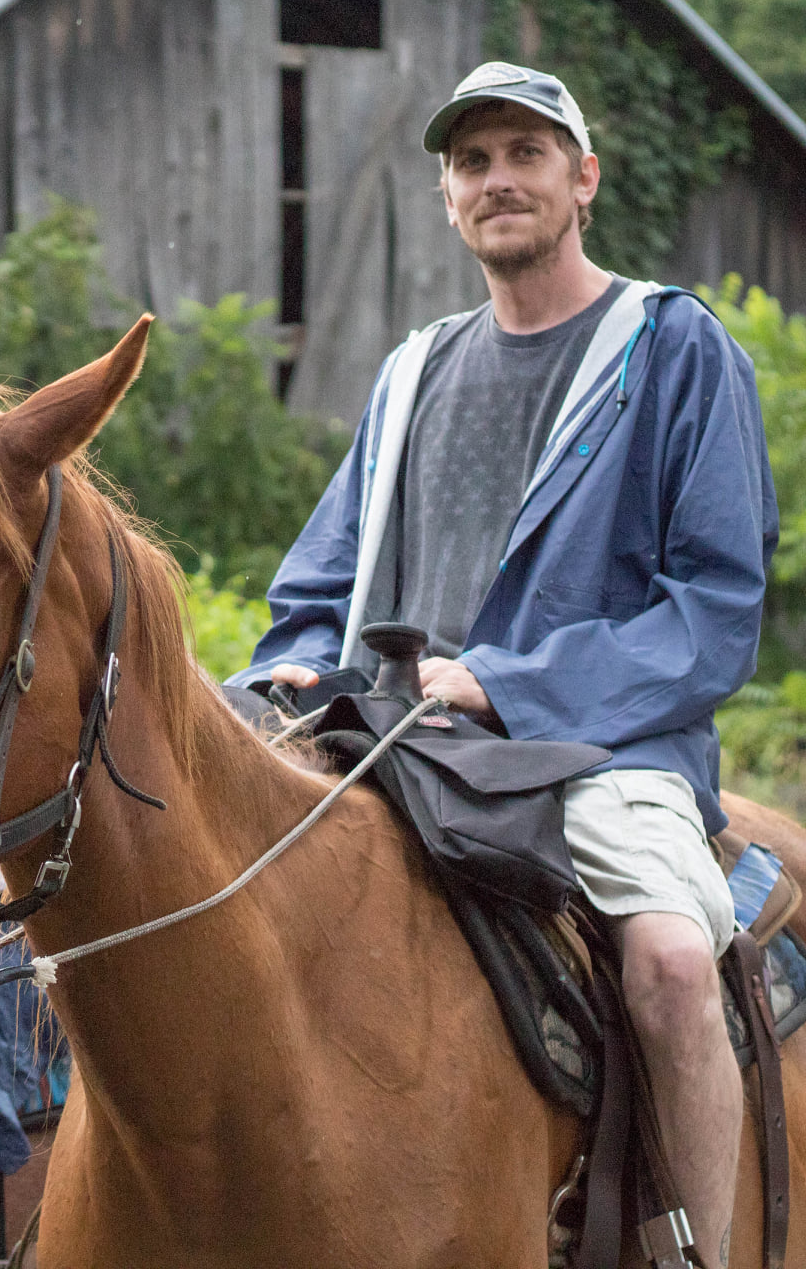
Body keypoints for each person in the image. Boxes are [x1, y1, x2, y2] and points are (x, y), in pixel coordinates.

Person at [227, 63, 777, 1265]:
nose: (498, 180)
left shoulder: (673, 348)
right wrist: (287, 677)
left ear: (582, 180)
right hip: (394, 744)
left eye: (527, 154)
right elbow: (319, 584)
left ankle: (692, 1253)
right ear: (447, 197)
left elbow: (715, 610)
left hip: (596, 751)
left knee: (676, 963)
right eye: (473, 163)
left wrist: (506, 682)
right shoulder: (415, 366)